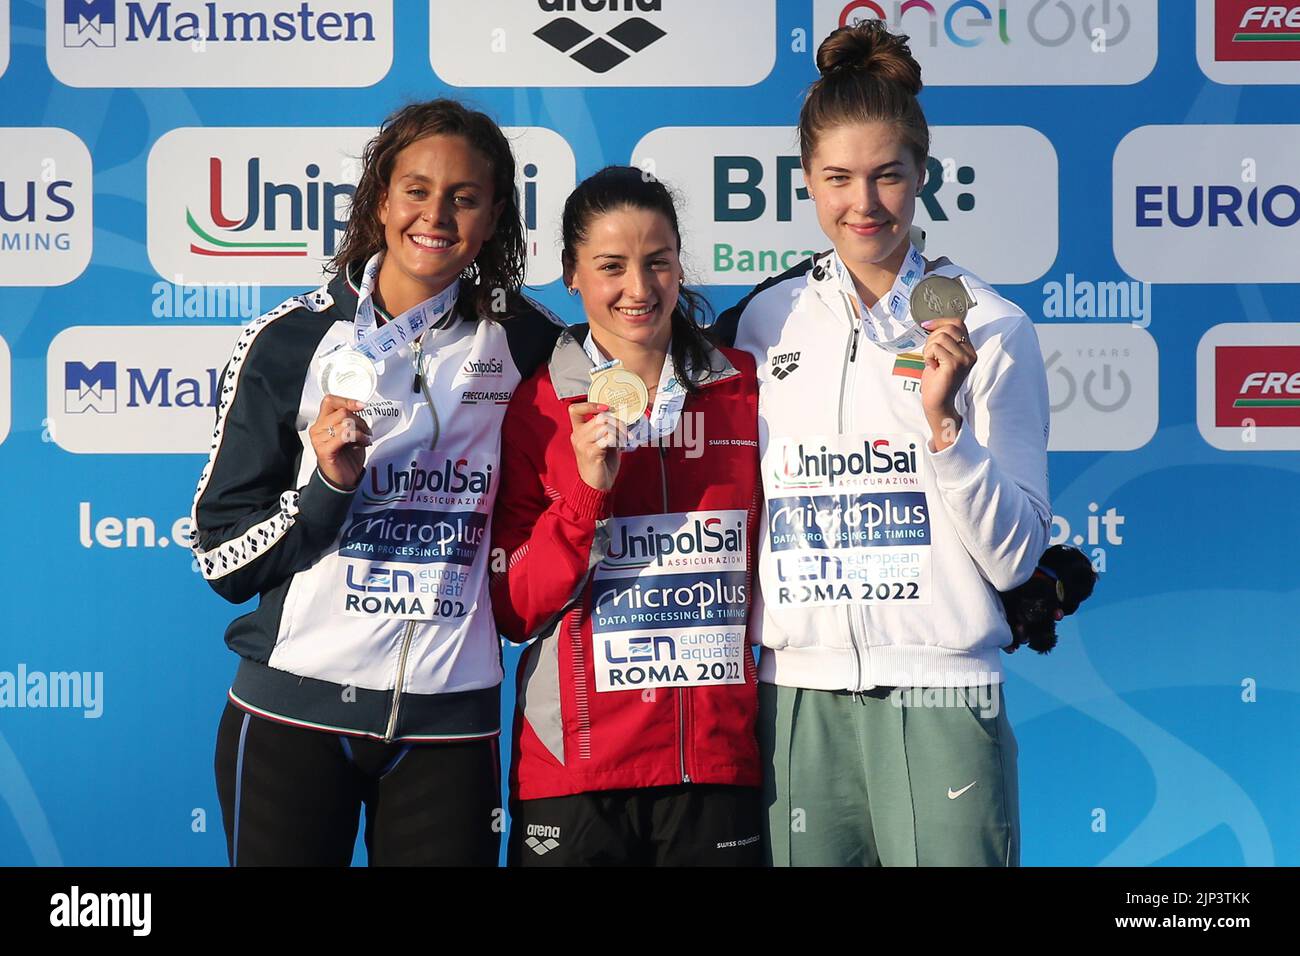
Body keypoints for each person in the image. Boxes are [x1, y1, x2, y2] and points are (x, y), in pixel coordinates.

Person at [190, 99, 561, 866]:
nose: (437, 214)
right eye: (416, 190)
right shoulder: (291, 341)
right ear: (380, 201)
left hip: (449, 726)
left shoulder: (531, 343)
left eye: (464, 197)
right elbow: (221, 557)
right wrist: (326, 487)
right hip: (293, 714)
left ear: (494, 216)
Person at [715, 22, 1052, 867]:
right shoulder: (763, 322)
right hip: (797, 697)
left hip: (944, 692)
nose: (863, 204)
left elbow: (1016, 559)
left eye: (886, 176)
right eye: (838, 179)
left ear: (921, 178)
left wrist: (945, 431)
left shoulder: (993, 328)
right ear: (806, 182)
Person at [490, 166, 763, 866]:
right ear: (571, 275)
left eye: (658, 263)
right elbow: (514, 609)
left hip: (714, 763)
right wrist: (585, 496)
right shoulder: (539, 406)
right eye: (611, 267)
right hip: (578, 769)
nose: (639, 290)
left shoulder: (743, 390)